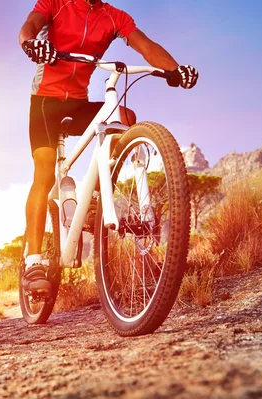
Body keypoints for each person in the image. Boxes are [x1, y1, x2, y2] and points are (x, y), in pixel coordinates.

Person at [19, 0, 198, 294]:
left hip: (77, 104)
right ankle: (33, 261)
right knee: (45, 173)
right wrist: (30, 44)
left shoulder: (114, 17)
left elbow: (148, 48)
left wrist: (175, 70)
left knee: (124, 117)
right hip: (45, 104)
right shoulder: (55, 3)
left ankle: (99, 197)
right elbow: (30, 27)